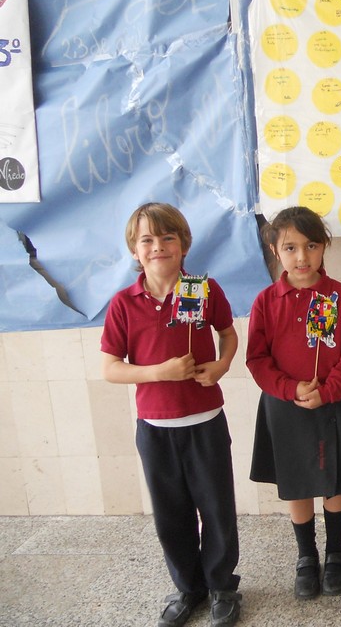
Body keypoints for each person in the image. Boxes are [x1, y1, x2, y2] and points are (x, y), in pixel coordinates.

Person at [100, 203, 241, 627]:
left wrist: (220, 365)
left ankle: (221, 587)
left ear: (183, 245)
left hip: (205, 423)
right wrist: (158, 373)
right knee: (170, 515)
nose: (157, 247)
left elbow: (229, 335)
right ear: (134, 250)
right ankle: (189, 588)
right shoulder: (125, 304)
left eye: (167, 238)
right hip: (156, 430)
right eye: (147, 239)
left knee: (216, 509)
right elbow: (110, 368)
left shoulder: (202, 289)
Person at [246, 206, 341, 600]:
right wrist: (289, 388)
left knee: (333, 481)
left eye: (311, 246)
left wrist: (328, 390)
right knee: (296, 482)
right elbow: (257, 359)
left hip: (330, 405)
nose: (302, 257)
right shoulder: (266, 301)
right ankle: (306, 556)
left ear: (324, 247)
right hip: (284, 408)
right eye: (291, 247)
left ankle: (335, 552)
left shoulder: (339, 296)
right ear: (275, 251)